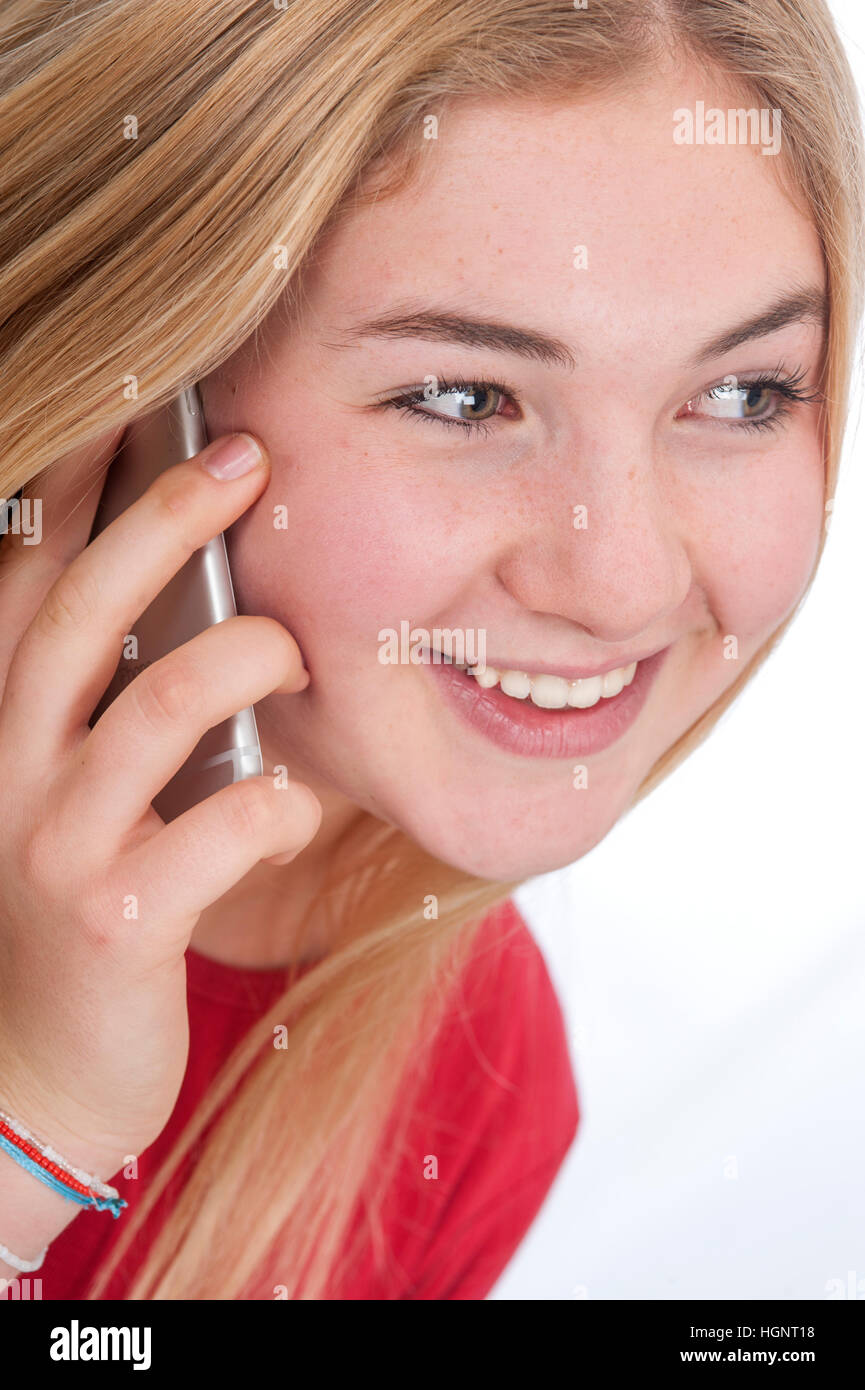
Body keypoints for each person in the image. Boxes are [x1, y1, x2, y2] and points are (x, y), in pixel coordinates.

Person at [0, 0, 861, 1300]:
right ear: (129, 425)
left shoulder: (474, 1075)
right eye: (462, 397)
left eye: (740, 392)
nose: (620, 582)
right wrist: (32, 1119)